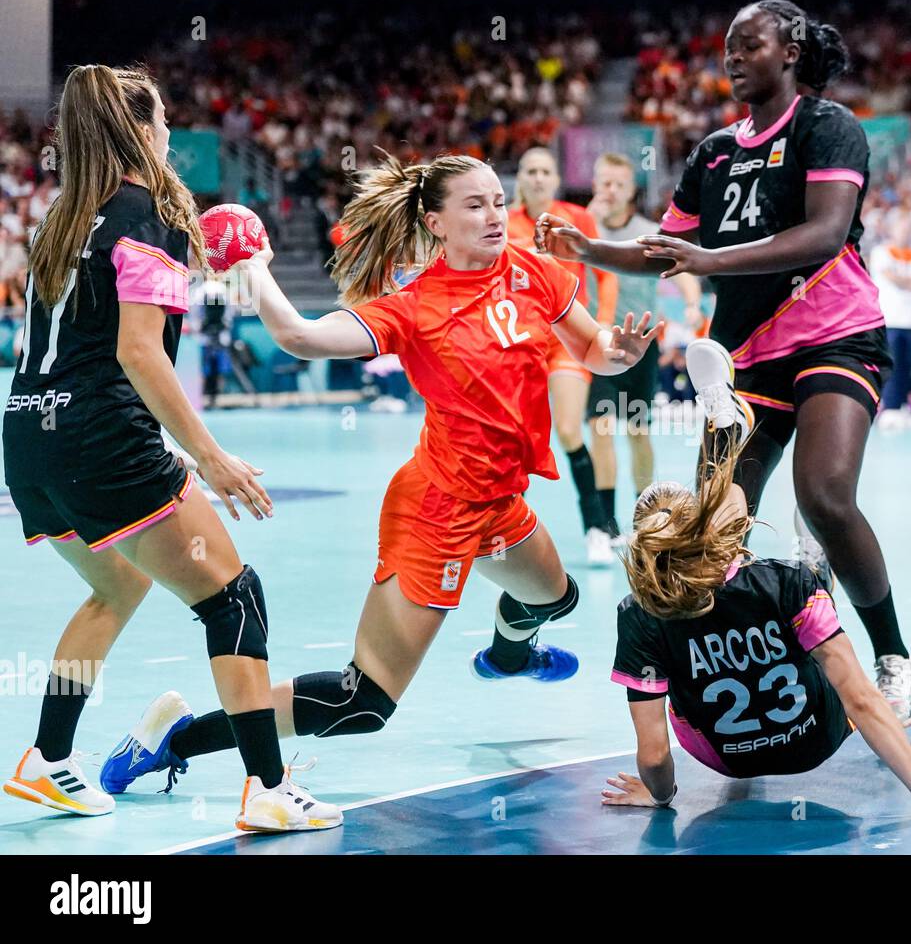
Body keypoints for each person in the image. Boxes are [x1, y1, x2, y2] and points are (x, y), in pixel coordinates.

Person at [106, 152, 662, 794]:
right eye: (473, 205)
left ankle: (506, 657)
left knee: (555, 597)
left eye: (497, 203)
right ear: (435, 222)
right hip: (437, 511)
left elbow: (594, 348)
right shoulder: (414, 308)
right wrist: (253, 266)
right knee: (362, 701)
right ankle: (173, 739)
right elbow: (300, 337)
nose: (492, 216)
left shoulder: (534, 272)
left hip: (500, 502)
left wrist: (620, 355)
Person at [538, 0, 911, 725]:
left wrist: (711, 259)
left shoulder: (827, 126)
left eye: (749, 45)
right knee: (715, 530)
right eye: (727, 49)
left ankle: (893, 657)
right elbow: (666, 247)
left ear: (790, 52)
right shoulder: (715, 151)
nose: (734, 58)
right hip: (746, 356)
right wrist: (587, 250)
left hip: (835, 334)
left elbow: (824, 233)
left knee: (825, 495)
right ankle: (733, 678)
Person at [1, 65, 339, 832]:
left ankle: (46, 762)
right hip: (99, 438)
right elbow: (139, 353)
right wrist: (211, 457)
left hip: (28, 435)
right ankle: (268, 788)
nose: (165, 136)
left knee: (116, 588)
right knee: (234, 596)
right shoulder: (145, 209)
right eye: (159, 124)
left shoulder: (62, 216)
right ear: (142, 132)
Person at [600, 393, 911, 819]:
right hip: (818, 738)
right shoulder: (784, 580)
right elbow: (862, 701)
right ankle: (813, 565)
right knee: (815, 624)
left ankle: (726, 431)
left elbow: (652, 756)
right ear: (709, 529)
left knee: (677, 672)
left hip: (726, 758)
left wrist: (660, 796)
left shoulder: (636, 614)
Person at [508, 145, 620, 565]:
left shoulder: (578, 217)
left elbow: (606, 276)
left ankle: (596, 529)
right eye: (530, 170)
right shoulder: (502, 224)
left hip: (568, 339)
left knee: (571, 430)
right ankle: (504, 533)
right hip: (519, 341)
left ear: (556, 180)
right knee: (514, 439)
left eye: (545, 171)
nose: (538, 178)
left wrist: (603, 327)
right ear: (521, 177)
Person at [586, 151, 703, 542]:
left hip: (641, 346)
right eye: (605, 183)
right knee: (600, 427)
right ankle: (604, 524)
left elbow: (681, 270)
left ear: (631, 191)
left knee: (637, 431)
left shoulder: (647, 233)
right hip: (596, 343)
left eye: (619, 184)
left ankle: (643, 517)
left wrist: (690, 303)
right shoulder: (582, 230)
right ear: (595, 186)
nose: (612, 190)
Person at [869, 217, 911, 429]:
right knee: (890, 365)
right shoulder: (881, 252)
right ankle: (890, 407)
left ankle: (904, 406)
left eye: (908, 228)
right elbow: (889, 277)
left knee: (907, 366)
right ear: (892, 229)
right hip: (890, 319)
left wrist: (902, 281)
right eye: (901, 227)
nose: (905, 232)